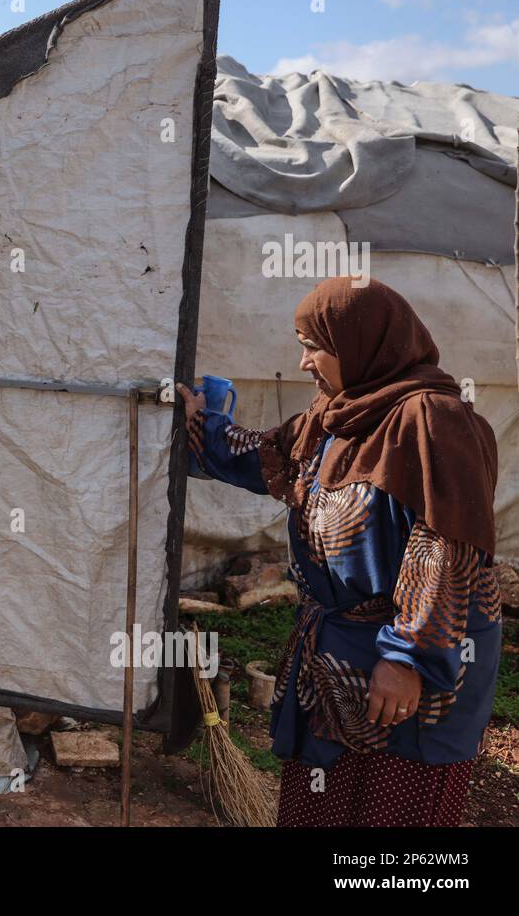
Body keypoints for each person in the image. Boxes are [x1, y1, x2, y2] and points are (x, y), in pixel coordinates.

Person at [176, 275, 501, 827]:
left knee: (389, 816)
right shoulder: (334, 420)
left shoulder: (431, 421)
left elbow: (446, 551)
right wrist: (198, 424)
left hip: (407, 656)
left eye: (313, 346)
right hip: (336, 654)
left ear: (362, 342)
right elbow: (262, 457)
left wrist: (407, 659)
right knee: (322, 803)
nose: (303, 362)